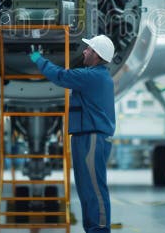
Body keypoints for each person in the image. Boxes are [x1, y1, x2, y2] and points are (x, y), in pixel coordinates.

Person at [30, 35, 116, 233]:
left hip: (92, 138)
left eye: (89, 49)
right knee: (86, 191)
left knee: (94, 190)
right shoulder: (94, 76)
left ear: (97, 55)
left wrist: (37, 58)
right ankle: (93, 228)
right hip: (84, 137)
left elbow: (60, 76)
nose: (84, 51)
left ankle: (100, 229)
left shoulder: (93, 76)